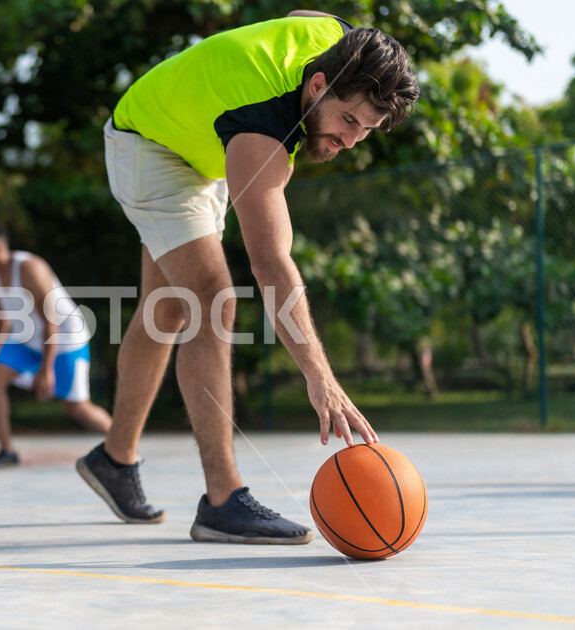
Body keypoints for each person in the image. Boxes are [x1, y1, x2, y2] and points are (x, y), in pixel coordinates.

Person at [77, 13, 418, 543]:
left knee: (166, 307)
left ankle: (114, 460)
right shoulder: (263, 127)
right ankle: (222, 500)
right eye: (348, 121)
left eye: (366, 130)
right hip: (150, 144)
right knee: (213, 299)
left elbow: (303, 18)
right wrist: (320, 378)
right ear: (318, 84)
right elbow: (270, 263)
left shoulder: (341, 40)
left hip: (193, 139)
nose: (351, 140)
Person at [0, 222, 112, 469]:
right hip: (29, 340)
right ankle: (7, 451)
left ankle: (123, 444)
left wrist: (46, 368)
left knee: (77, 408)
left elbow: (51, 320)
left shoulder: (30, 269)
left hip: (65, 339)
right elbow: (2, 325)